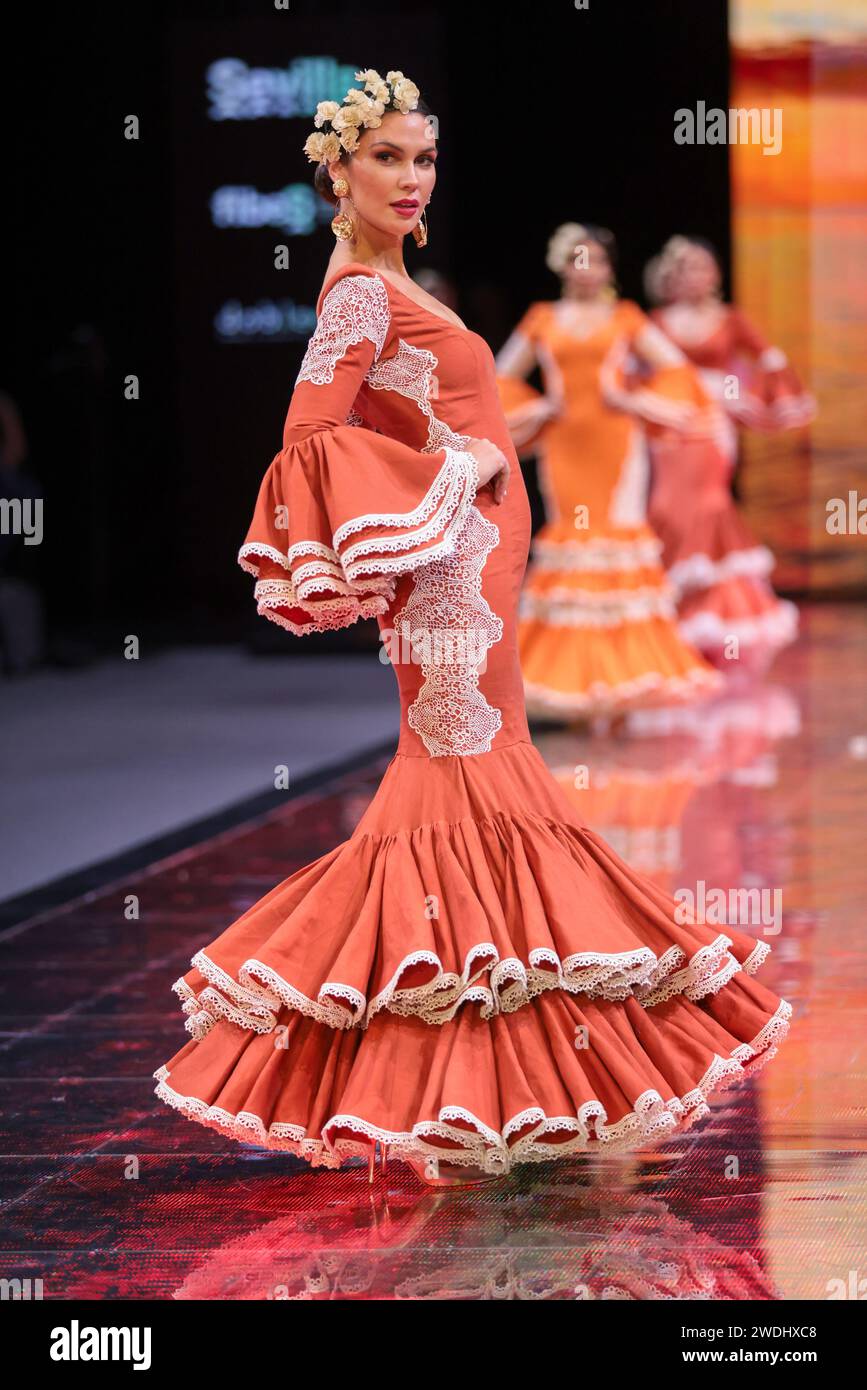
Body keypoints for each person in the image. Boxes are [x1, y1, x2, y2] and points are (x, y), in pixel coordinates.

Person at [153, 72, 792, 1187]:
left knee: (481, 779)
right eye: (388, 158)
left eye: (424, 158)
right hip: (453, 568)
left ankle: (499, 1080)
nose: (411, 178)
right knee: (461, 779)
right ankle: (473, 1076)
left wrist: (483, 460)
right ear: (337, 171)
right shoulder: (357, 291)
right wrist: (470, 467)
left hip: (480, 559)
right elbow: (308, 438)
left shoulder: (393, 283)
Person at [495, 223, 722, 720]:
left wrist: (632, 398)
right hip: (565, 444)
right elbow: (497, 376)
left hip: (618, 444)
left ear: (608, 267)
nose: (587, 269)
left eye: (596, 259)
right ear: (560, 264)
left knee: (616, 539)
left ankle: (621, 682)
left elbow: (676, 370)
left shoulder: (625, 317)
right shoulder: (542, 318)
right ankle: (572, 684)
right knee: (571, 543)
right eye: (578, 258)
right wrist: (538, 410)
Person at [642, 235, 809, 668]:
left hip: (713, 427)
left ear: (714, 274)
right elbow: (631, 369)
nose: (693, 276)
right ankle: (672, 620)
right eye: (685, 269)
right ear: (670, 276)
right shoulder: (656, 321)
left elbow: (771, 360)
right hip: (670, 429)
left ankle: (716, 620)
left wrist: (743, 396)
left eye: (701, 267)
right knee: (665, 506)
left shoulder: (730, 318)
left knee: (709, 503)